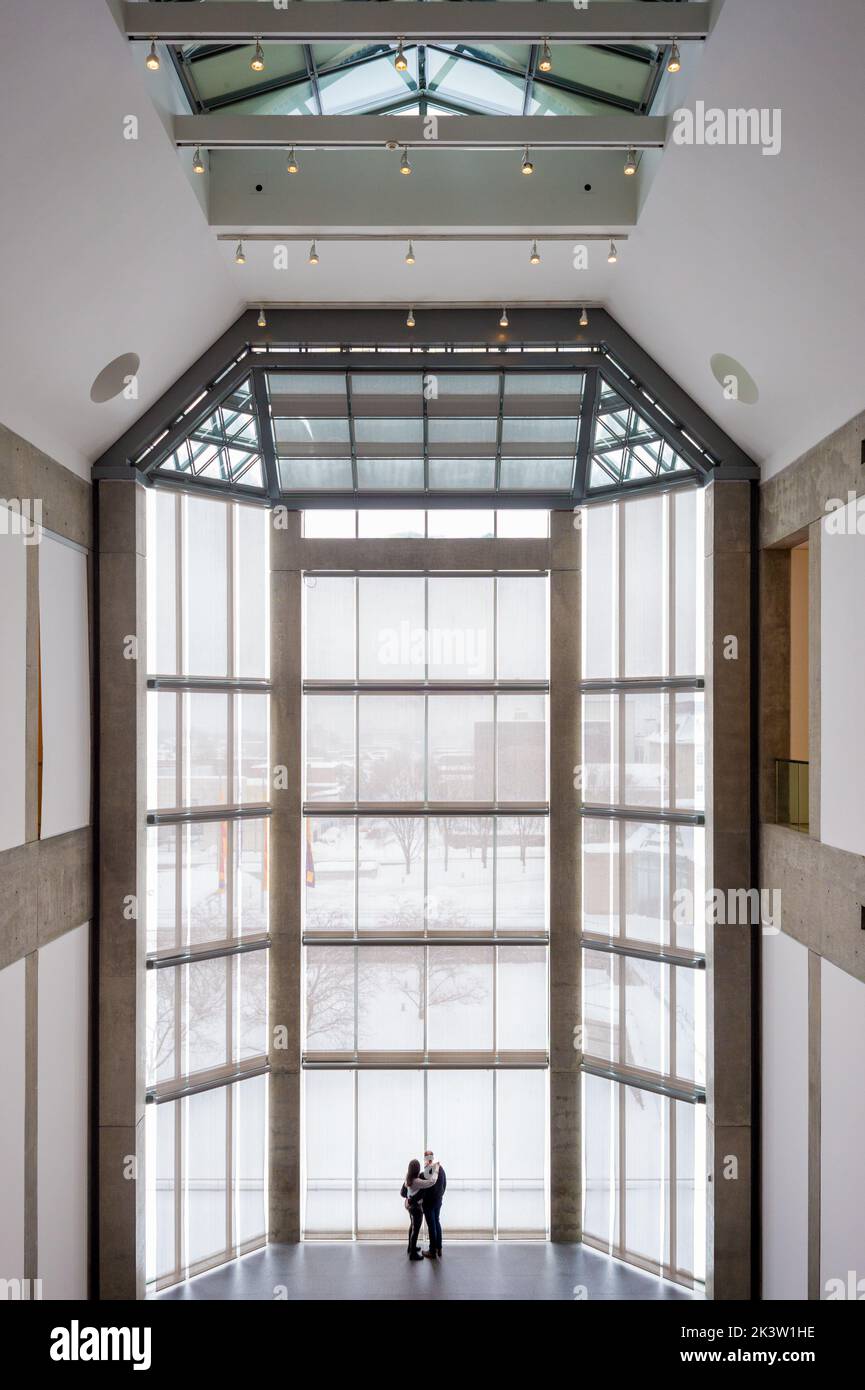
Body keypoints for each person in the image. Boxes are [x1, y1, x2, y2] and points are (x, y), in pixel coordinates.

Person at [400, 1158, 439, 1261]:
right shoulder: (416, 1181)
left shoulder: (407, 1177)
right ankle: (413, 1254)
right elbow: (431, 1182)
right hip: (416, 1208)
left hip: (410, 1207)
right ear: (417, 1169)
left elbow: (405, 1192)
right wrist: (436, 1170)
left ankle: (411, 1247)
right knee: (415, 1230)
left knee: (412, 1227)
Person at [420, 1149, 446, 1258]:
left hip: (429, 1203)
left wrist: (422, 1201)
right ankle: (439, 1248)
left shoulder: (426, 1172)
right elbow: (444, 1185)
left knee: (431, 1226)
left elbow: (422, 1190)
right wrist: (440, 1196)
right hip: (438, 1201)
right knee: (437, 1222)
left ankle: (432, 1251)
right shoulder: (441, 1169)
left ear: (425, 1159)